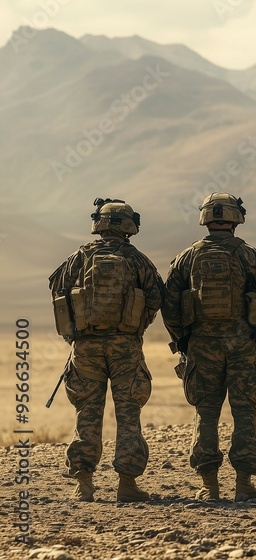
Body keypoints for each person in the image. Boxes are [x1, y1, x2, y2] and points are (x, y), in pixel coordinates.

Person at [162, 193, 256, 501]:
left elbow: (169, 303)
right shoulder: (248, 254)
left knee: (205, 412)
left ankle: (209, 486)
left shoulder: (188, 256)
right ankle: (244, 484)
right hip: (241, 343)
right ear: (235, 219)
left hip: (202, 345)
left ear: (205, 219)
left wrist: (184, 339)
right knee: (244, 412)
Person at [49, 198, 164, 502]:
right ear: (129, 225)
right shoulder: (137, 259)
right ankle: (127, 484)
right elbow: (155, 298)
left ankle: (83, 483)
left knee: (87, 413)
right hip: (125, 347)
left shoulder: (78, 258)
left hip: (85, 347)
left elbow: (57, 293)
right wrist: (134, 325)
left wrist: (75, 333)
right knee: (129, 414)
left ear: (98, 224)